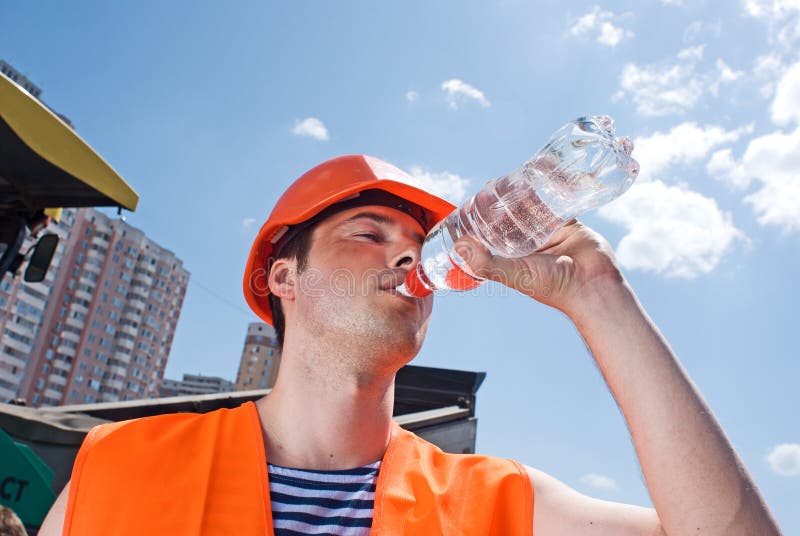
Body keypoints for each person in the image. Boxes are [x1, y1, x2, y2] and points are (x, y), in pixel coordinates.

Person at [40, 155, 782, 535]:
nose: (409, 259)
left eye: (420, 245)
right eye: (369, 234)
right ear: (282, 277)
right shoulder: (118, 467)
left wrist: (601, 297)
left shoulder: (498, 504)